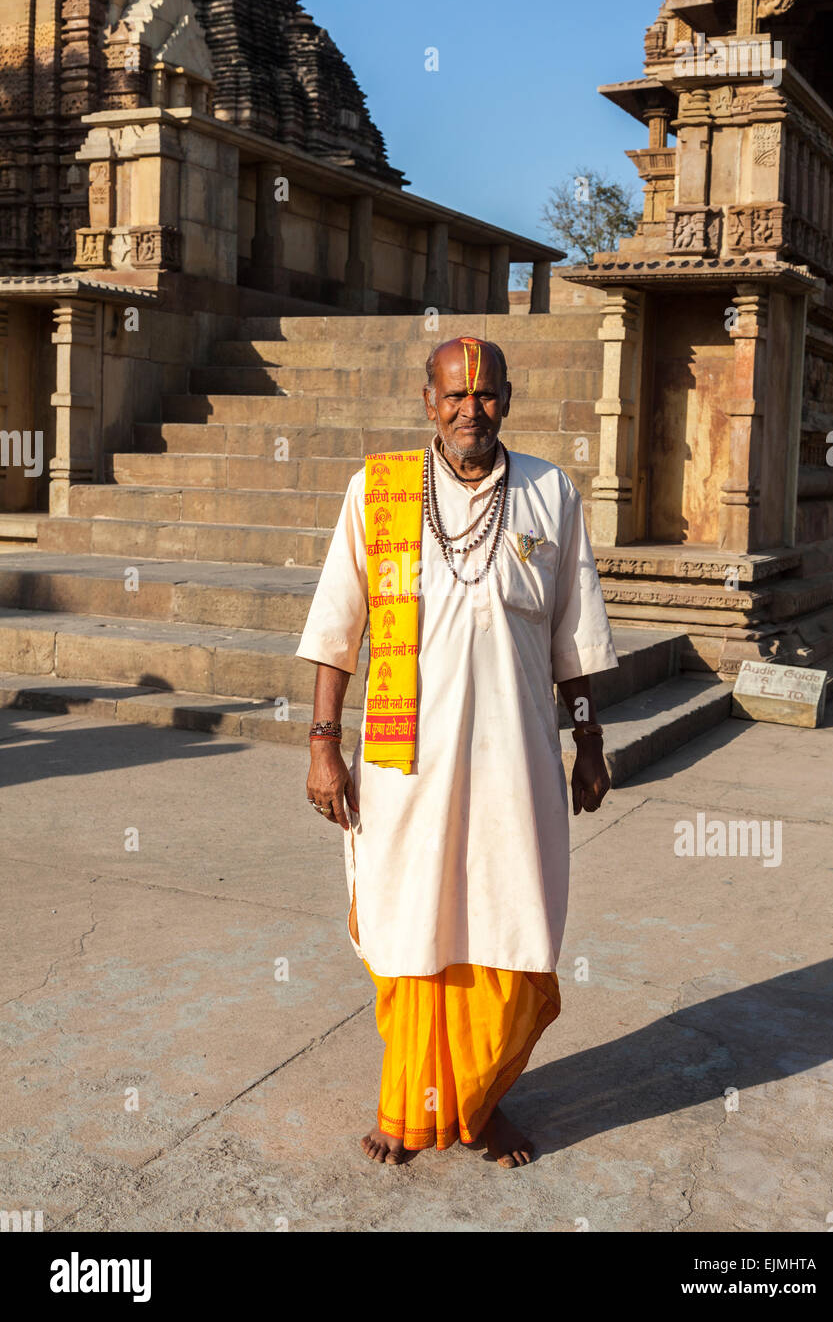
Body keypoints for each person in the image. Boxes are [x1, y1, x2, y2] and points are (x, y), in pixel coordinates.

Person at [296, 335, 618, 1167]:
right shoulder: (381, 491)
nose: (470, 410)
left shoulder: (550, 491)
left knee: (514, 922)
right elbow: (337, 632)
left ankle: (483, 1105)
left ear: (506, 398)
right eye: (454, 395)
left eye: (486, 395)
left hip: (516, 763)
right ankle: (409, 1106)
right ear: (426, 401)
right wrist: (323, 744)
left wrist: (588, 739)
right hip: (407, 767)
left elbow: (574, 638)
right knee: (412, 925)